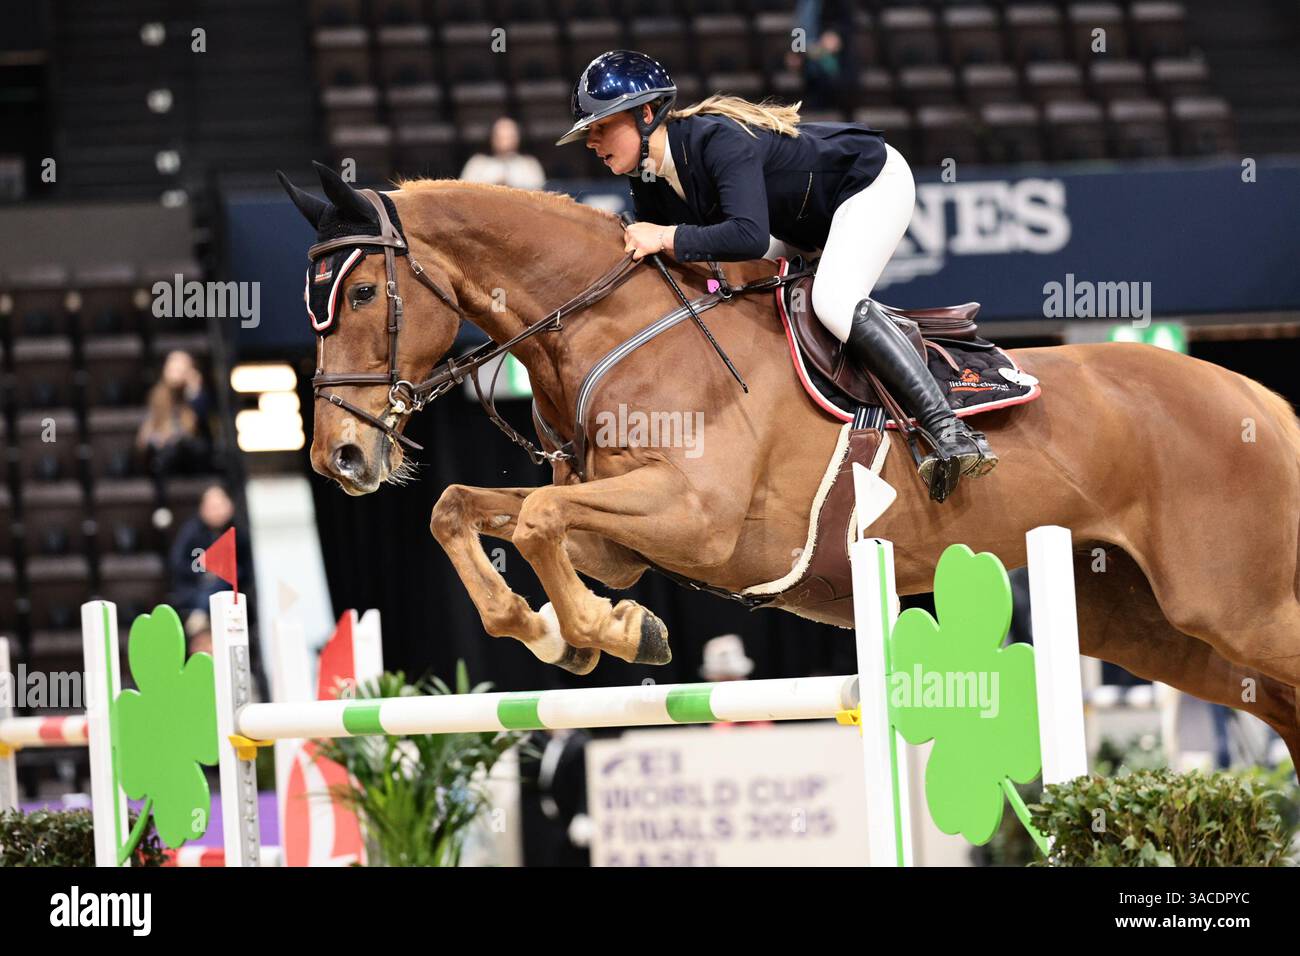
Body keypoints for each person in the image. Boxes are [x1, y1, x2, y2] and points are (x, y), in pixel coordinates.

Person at [556, 50, 996, 500]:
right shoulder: (646, 177)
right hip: (800, 223)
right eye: (589, 132)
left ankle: (950, 431)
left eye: (600, 126)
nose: (592, 141)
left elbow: (747, 236)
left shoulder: (717, 140)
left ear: (645, 113)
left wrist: (666, 236)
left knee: (833, 300)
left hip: (867, 183)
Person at [135, 350, 213, 494]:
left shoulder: (197, 396)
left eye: (181, 369)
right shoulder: (158, 395)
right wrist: (158, 438)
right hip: (167, 454)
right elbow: (149, 430)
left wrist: (194, 389)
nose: (175, 373)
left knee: (188, 445)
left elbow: (196, 424)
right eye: (172, 368)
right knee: (162, 454)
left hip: (190, 455)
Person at [459, 116, 547, 190]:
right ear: (492, 138)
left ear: (517, 138)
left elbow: (539, 193)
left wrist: (511, 187)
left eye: (509, 136)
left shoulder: (529, 164)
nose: (505, 140)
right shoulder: (477, 163)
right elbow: (464, 191)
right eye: (500, 136)